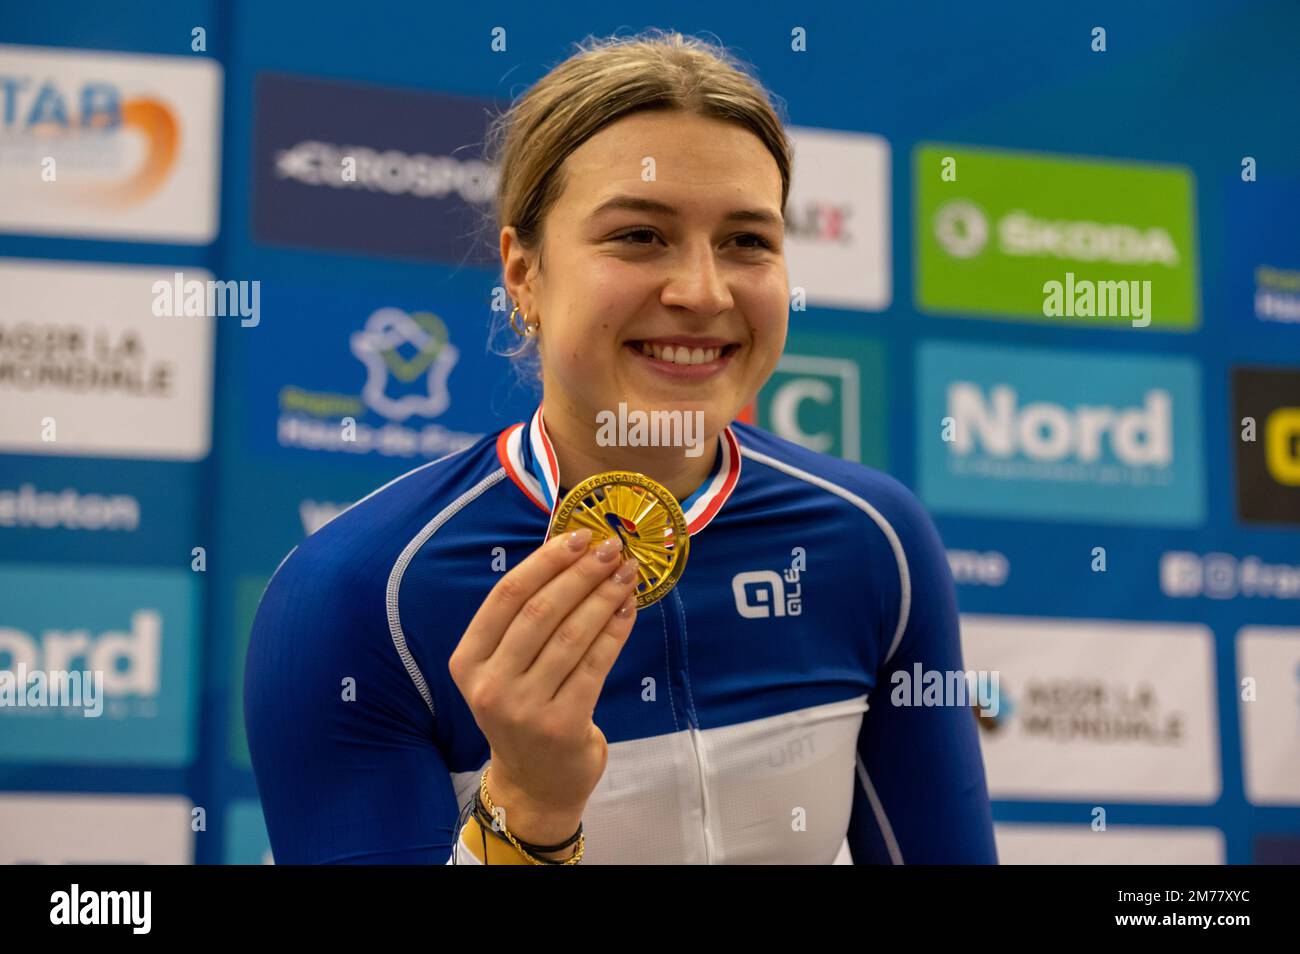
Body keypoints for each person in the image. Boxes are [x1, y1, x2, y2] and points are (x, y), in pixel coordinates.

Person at [244, 29, 997, 864]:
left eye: (748, 241)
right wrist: (527, 806)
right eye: (639, 236)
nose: (702, 292)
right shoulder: (356, 596)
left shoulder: (875, 542)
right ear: (524, 274)